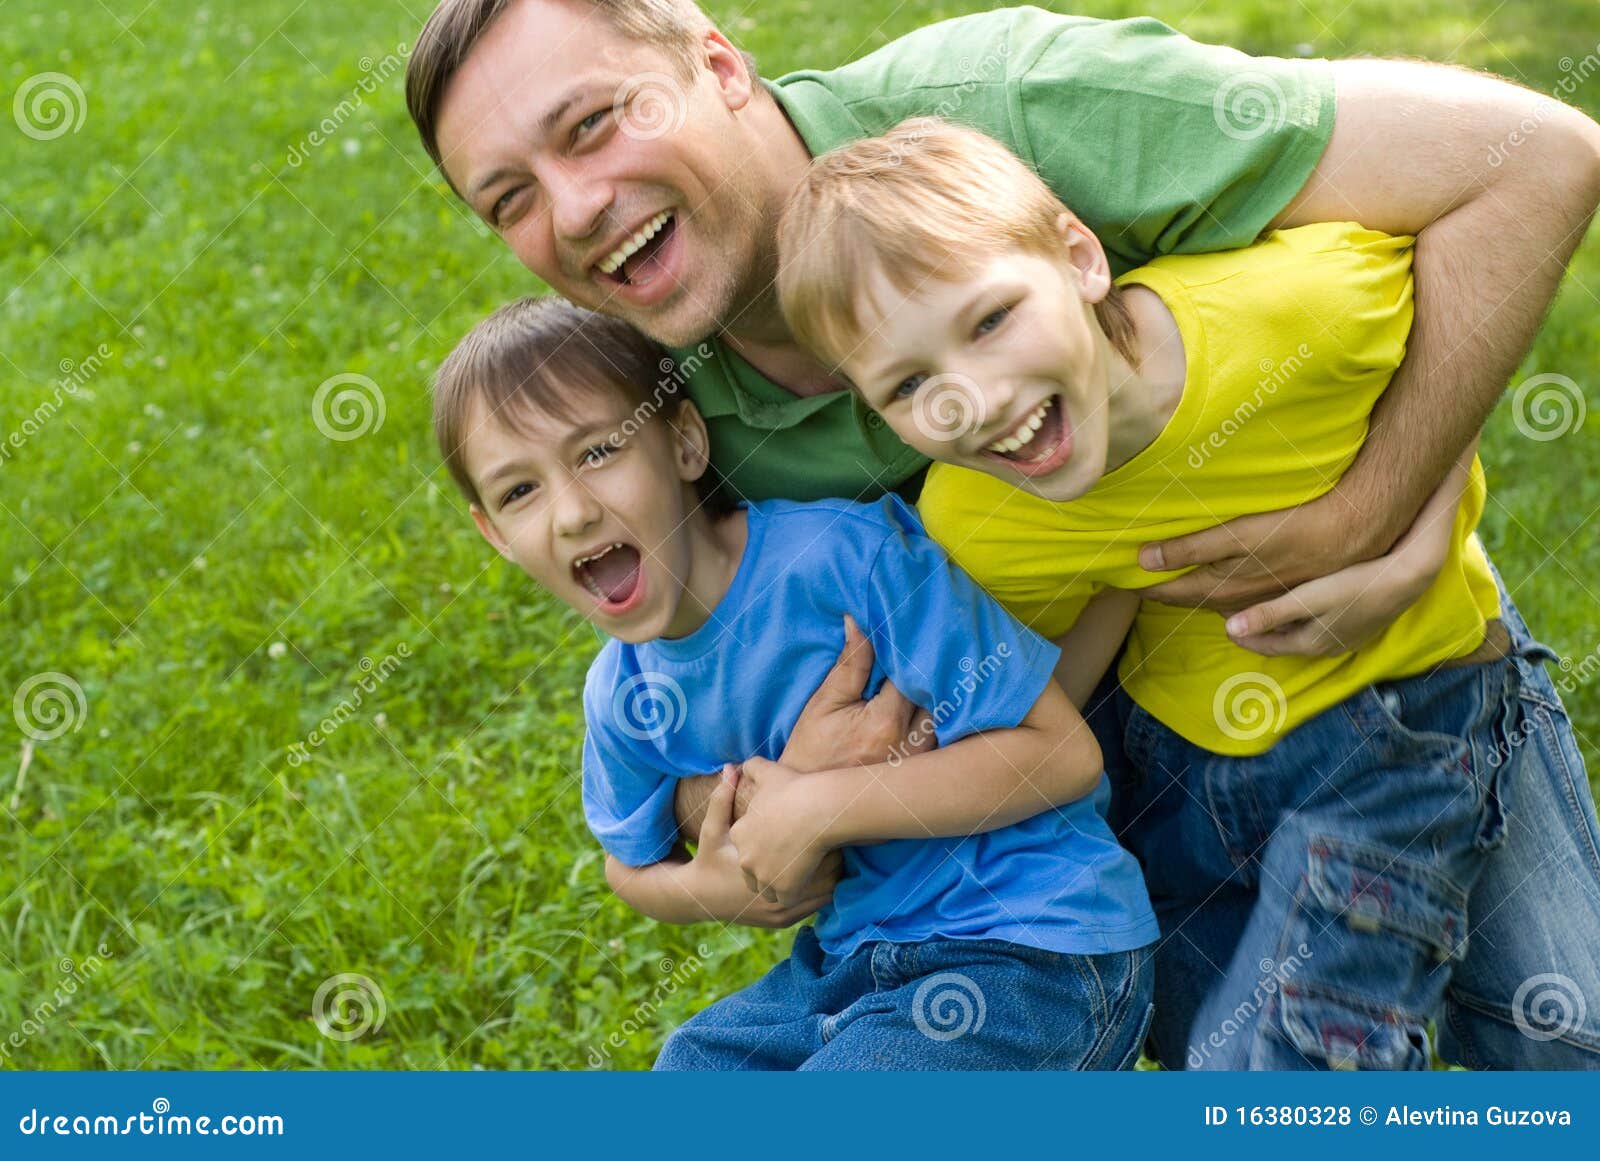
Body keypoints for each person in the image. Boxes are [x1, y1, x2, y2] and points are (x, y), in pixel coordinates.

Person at [406, 0, 1600, 1065]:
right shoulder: (645, 381)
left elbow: (1530, 158)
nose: (574, 210)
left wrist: (1390, 497)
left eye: (594, 124)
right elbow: (674, 649)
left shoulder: (1018, 107)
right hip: (1043, 765)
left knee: (1561, 1033)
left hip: (1364, 668)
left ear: (717, 64)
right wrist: (748, 808)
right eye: (508, 199)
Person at [774, 117, 1598, 1069]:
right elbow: (1022, 699)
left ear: (1080, 257)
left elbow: (1462, 321)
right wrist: (809, 796)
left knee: (1311, 1066)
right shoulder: (980, 515)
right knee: (1210, 1053)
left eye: (993, 319)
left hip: (1402, 730)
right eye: (911, 382)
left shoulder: (1302, 308)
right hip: (1188, 772)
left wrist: (1411, 503)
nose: (976, 398)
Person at [431, 295, 1159, 1069]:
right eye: (519, 491)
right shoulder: (624, 694)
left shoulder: (842, 559)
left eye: (599, 452)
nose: (572, 512)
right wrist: (709, 890)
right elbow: (628, 862)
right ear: (494, 535)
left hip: (1027, 940)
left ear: (682, 441)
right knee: (691, 1065)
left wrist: (820, 806)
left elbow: (1062, 755)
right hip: (849, 964)